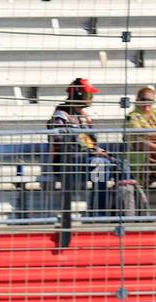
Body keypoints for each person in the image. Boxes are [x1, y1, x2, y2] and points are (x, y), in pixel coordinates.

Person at [48, 77, 116, 212]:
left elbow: (92, 142)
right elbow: (62, 142)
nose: (91, 97)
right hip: (68, 163)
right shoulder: (61, 115)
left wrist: (100, 151)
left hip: (86, 160)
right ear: (78, 95)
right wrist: (92, 151)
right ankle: (98, 211)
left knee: (120, 165)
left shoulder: (85, 116)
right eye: (88, 94)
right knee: (100, 164)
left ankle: (124, 209)